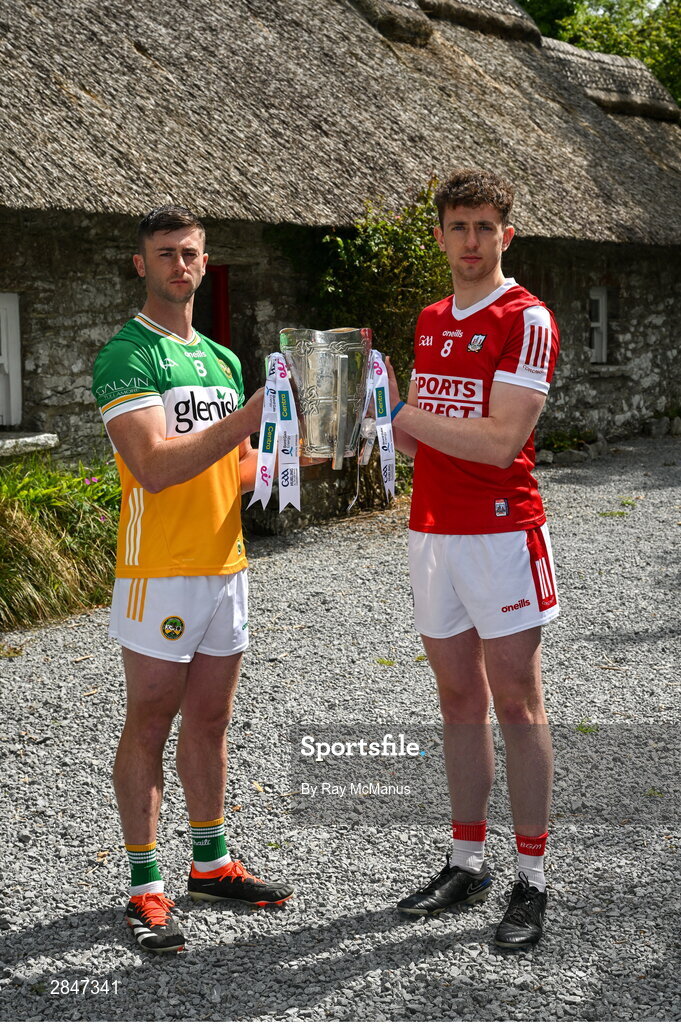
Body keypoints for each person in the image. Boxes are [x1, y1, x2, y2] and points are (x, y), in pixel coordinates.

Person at [92, 205, 294, 954]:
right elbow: (154, 466)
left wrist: (296, 454)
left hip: (225, 565)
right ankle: (145, 887)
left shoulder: (219, 356)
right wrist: (246, 421)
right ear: (139, 264)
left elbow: (234, 474)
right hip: (160, 571)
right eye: (166, 252)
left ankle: (209, 864)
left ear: (207, 263)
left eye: (192, 253)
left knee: (210, 721)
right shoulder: (126, 355)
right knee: (150, 721)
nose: (181, 264)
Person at [386, 169, 560, 948]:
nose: (469, 241)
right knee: (456, 700)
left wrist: (409, 419)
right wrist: (381, 423)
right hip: (431, 532)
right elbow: (422, 426)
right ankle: (467, 860)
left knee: (515, 702)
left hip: (500, 531)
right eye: (457, 227)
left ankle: (532, 879)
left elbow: (498, 443)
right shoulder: (427, 319)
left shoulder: (526, 318)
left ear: (505, 235)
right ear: (439, 235)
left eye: (484, 227)